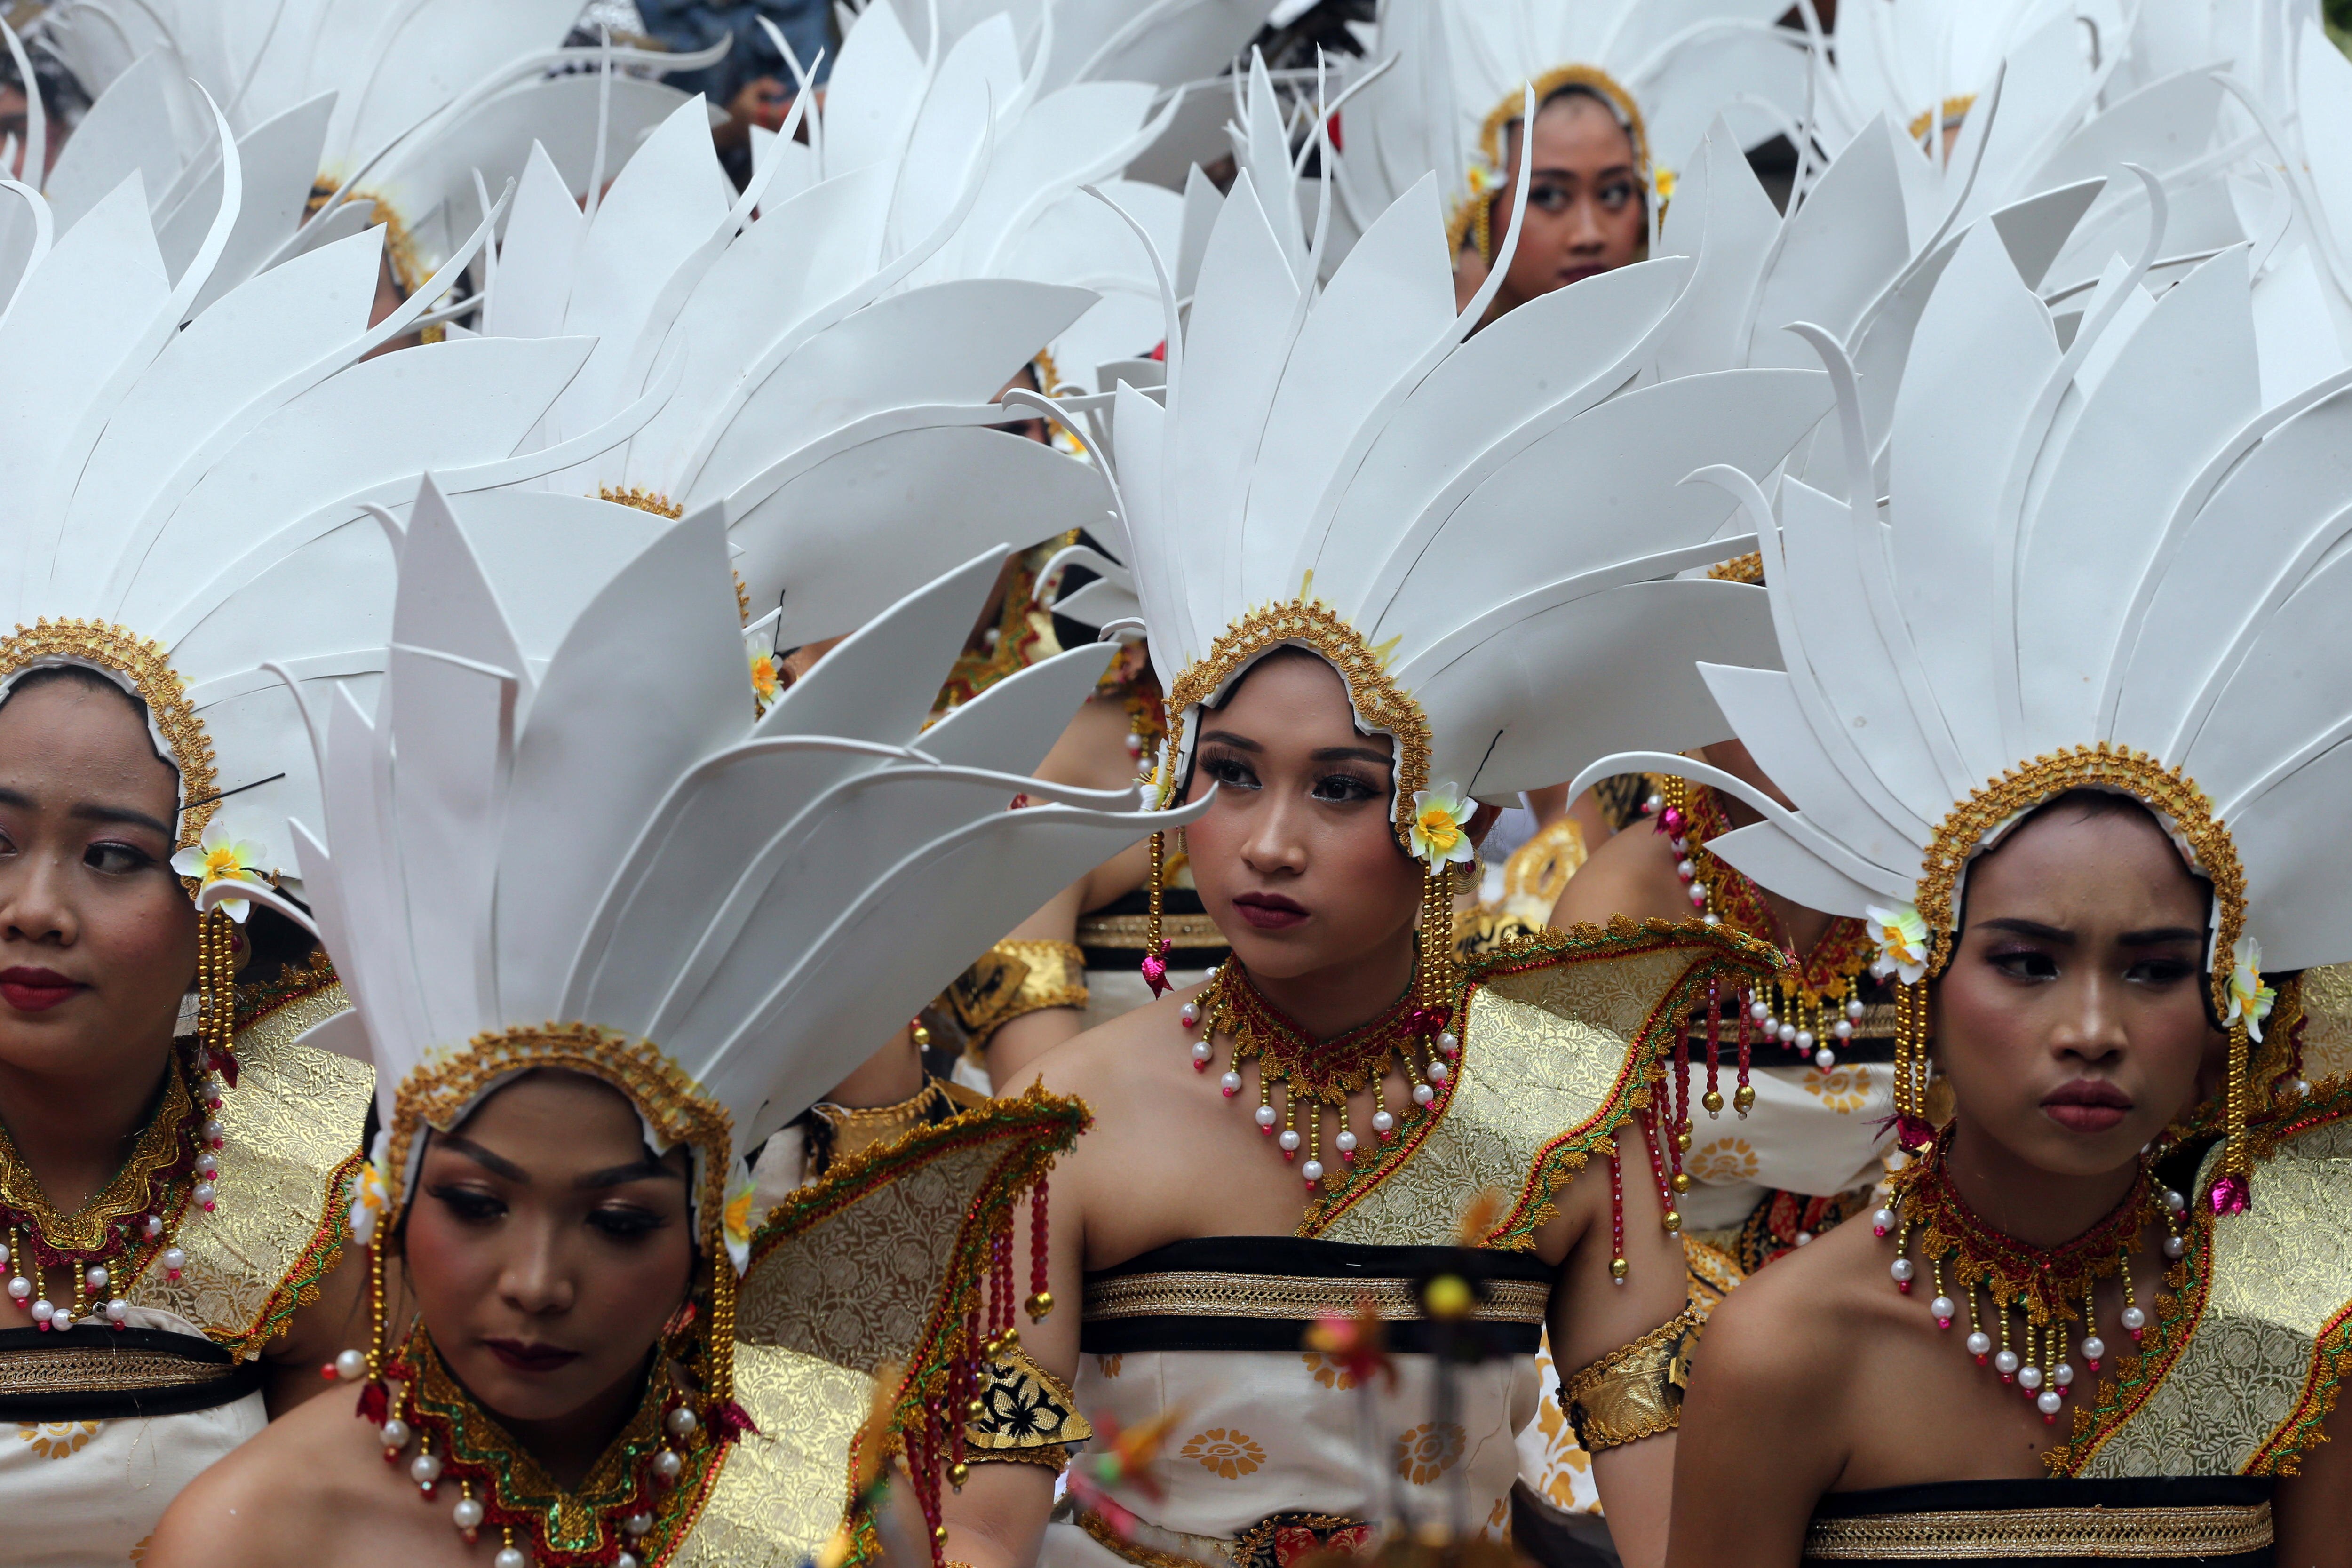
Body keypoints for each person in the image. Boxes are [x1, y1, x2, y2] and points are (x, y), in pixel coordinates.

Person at [932, 140, 1836, 1568]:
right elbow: (979, 1536)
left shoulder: (1567, 1121)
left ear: (1448, 821)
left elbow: (1674, 1534)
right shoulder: (1064, 1126)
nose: (1268, 842)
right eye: (1230, 775)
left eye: (1341, 790)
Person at [145, 485, 1199, 1567]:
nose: (537, 1281)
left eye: (617, 1220)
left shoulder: (829, 1492)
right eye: (477, 1202)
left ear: (710, 1233)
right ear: (391, 1198)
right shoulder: (254, 1535)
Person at [1576, 214, 2352, 1561]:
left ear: (2231, 1002)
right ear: (1925, 974)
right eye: (2029, 960)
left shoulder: (2294, 1328)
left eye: (2155, 967)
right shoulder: (1785, 1348)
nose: (2093, 1026)